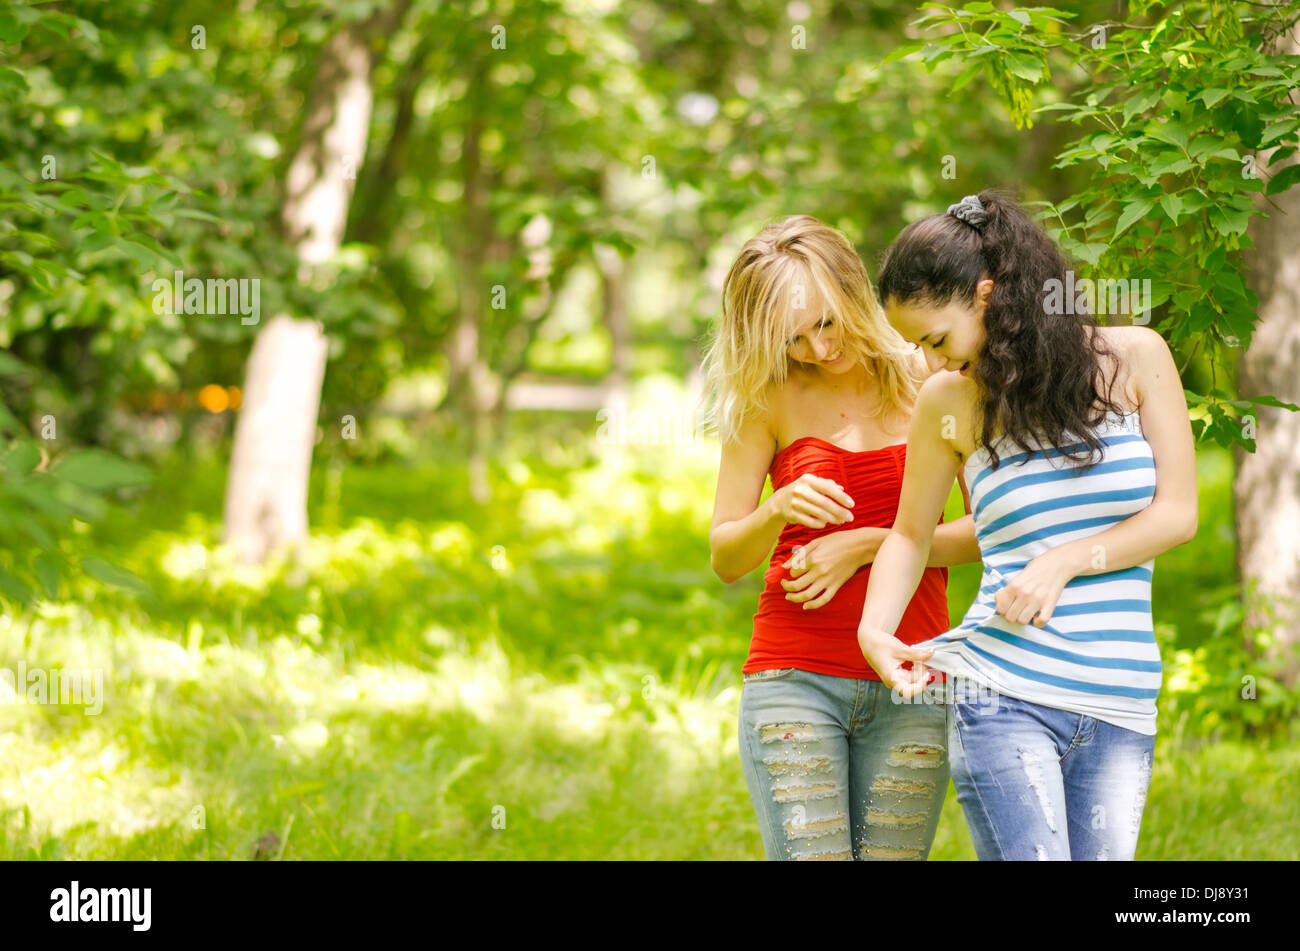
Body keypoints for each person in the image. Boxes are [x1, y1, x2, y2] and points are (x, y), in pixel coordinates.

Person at [857, 191, 1198, 861]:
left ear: (987, 295)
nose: (929, 362)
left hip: (1120, 696)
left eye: (934, 339)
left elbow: (1178, 514)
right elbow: (911, 534)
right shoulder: (948, 402)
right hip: (1002, 693)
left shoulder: (1136, 357)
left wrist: (1065, 559)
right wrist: (875, 629)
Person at [703, 214, 981, 860]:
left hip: (912, 676)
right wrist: (777, 510)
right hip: (794, 679)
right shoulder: (768, 396)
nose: (819, 349)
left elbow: (992, 532)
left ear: (854, 290)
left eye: (826, 323)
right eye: (795, 339)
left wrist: (865, 542)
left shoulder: (932, 381)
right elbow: (724, 554)